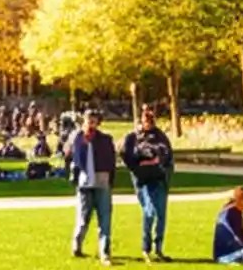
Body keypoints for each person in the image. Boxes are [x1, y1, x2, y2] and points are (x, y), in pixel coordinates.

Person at [121, 105, 174, 263]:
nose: (149, 123)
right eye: (146, 120)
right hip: (143, 180)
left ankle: (158, 248)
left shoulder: (160, 136)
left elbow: (167, 154)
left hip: (159, 178)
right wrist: (138, 166)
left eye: (151, 120)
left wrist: (159, 162)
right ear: (141, 120)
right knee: (149, 212)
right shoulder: (133, 137)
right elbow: (125, 154)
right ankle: (146, 248)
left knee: (161, 215)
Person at [69, 109, 115, 266]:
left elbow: (111, 162)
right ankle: (77, 245)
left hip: (102, 181)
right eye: (88, 121)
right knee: (83, 218)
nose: (91, 124)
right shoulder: (78, 139)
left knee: (105, 220)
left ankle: (105, 252)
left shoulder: (105, 140)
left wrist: (110, 181)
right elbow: (73, 158)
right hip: (84, 183)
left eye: (93, 121)